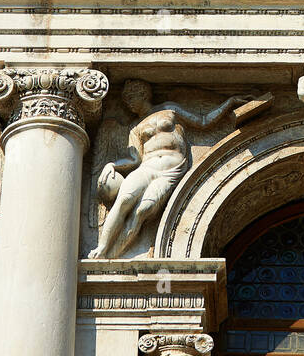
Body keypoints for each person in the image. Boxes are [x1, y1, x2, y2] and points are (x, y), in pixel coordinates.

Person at [89, 80, 247, 259]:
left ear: (144, 95)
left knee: (143, 210)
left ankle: (115, 252)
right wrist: (113, 164)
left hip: (171, 169)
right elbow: (135, 159)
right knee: (123, 200)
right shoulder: (135, 127)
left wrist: (230, 103)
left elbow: (203, 122)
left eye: (131, 97)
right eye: (126, 100)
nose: (129, 103)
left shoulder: (170, 109)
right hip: (147, 167)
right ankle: (102, 249)